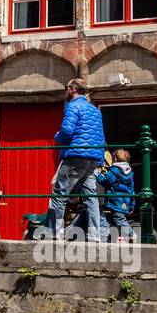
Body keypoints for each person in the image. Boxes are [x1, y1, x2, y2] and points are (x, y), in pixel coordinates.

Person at [49, 78, 106, 240]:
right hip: (93, 157)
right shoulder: (95, 110)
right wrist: (100, 158)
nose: (66, 91)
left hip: (76, 155)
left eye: (67, 87)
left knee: (59, 193)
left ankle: (55, 232)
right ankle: (95, 235)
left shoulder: (73, 106)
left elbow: (67, 130)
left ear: (73, 89)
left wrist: (57, 137)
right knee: (91, 196)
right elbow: (101, 136)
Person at [97, 149, 135, 242]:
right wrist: (131, 205)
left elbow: (105, 180)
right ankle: (114, 236)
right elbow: (132, 191)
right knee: (115, 218)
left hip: (115, 201)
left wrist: (97, 174)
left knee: (119, 218)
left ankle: (131, 234)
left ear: (114, 159)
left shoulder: (114, 171)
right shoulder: (130, 173)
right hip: (125, 201)